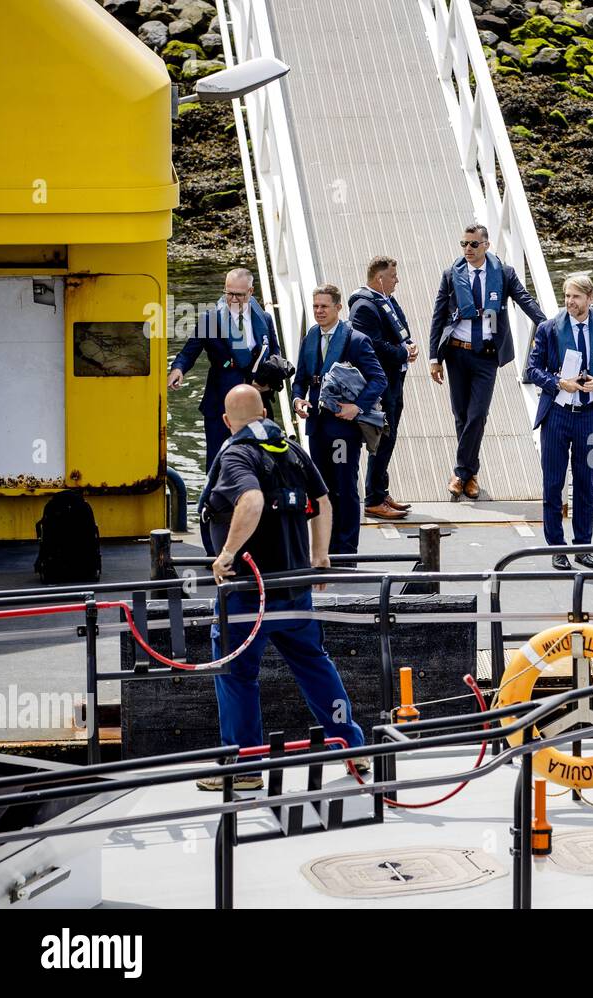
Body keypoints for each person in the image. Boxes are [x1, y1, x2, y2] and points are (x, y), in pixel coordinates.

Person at [197, 384, 366, 790]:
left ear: (226, 421)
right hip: (294, 592)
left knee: (237, 675)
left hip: (247, 599)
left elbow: (251, 501)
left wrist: (226, 556)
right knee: (315, 665)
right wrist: (320, 556)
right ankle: (351, 746)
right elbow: (323, 500)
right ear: (264, 413)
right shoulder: (289, 449)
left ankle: (245, 768)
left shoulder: (237, 454)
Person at [428, 223, 547, 499]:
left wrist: (547, 324)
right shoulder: (450, 275)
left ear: (486, 245)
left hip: (487, 356)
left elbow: (524, 299)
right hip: (457, 353)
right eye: (463, 244)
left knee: (477, 415)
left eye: (473, 244)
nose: (467, 249)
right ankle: (470, 475)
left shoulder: (503, 274)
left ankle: (460, 472)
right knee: (461, 415)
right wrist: (435, 358)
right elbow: (438, 317)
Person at [526, 273, 593, 570]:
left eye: (576, 297)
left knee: (586, 484)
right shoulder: (549, 328)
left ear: (590, 299)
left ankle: (583, 546)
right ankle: (556, 547)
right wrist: (557, 382)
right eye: (567, 296)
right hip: (556, 415)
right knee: (553, 484)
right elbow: (532, 369)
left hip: (589, 416)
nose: (570, 302)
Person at [292, 284, 387, 556]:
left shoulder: (355, 340)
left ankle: (345, 551)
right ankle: (325, 547)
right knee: (321, 487)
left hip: (342, 429)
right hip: (317, 425)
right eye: (316, 306)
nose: (319, 311)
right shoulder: (310, 337)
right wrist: (298, 400)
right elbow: (300, 380)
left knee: (344, 488)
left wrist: (357, 407)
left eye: (324, 306)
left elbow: (378, 379)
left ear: (338, 307)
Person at [168, 267, 283, 471]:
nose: (234, 299)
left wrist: (269, 380)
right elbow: (189, 352)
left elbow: (275, 353)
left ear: (251, 292)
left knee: (264, 462)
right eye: (229, 293)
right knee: (218, 463)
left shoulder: (264, 319)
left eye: (239, 294)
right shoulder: (210, 319)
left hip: (258, 400)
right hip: (220, 403)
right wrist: (178, 370)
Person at [348, 255, 419, 520]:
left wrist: (409, 346)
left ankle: (380, 490)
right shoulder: (364, 306)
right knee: (382, 437)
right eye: (393, 276)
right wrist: (402, 353)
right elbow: (373, 346)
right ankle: (374, 498)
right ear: (379, 278)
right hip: (379, 382)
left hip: (394, 379)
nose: (397, 280)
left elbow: (399, 331)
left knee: (389, 437)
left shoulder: (386, 299)